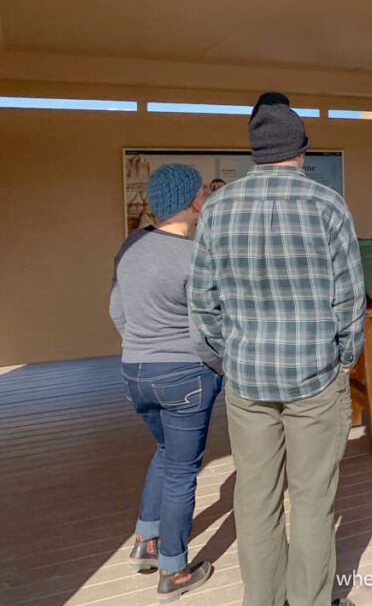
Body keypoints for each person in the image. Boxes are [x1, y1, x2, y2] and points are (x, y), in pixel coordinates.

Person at [189, 92, 365, 606]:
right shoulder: (328, 204)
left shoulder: (218, 207)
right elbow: (350, 300)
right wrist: (344, 357)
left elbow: (202, 301)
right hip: (314, 375)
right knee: (312, 500)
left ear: (255, 152)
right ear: (301, 150)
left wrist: (231, 353)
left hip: (247, 379)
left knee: (255, 497)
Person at [110, 163, 222, 602]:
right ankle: (173, 570)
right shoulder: (193, 256)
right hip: (184, 375)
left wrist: (141, 348)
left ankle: (146, 538)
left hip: (134, 371)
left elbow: (117, 311)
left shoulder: (130, 248)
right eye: (201, 195)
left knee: (164, 452)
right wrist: (218, 366)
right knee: (181, 472)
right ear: (192, 202)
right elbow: (203, 331)